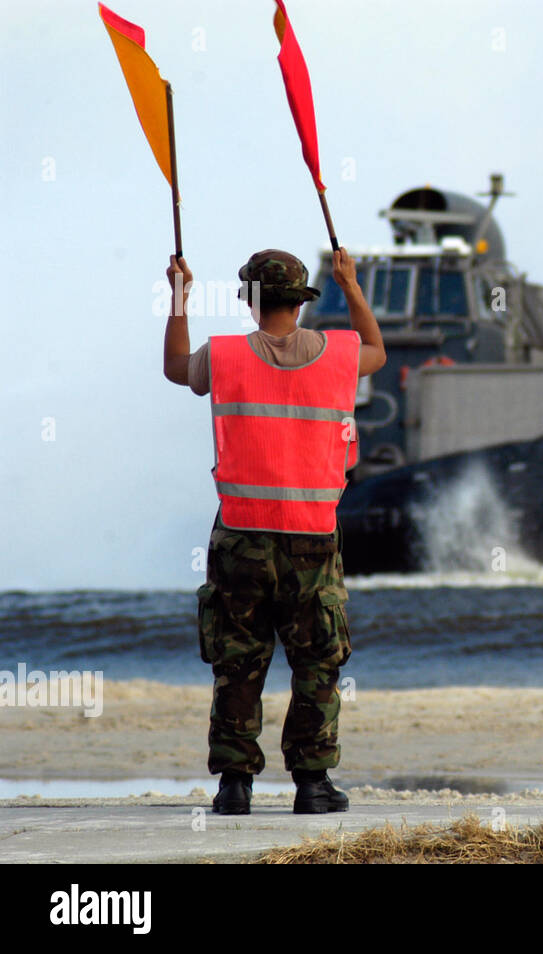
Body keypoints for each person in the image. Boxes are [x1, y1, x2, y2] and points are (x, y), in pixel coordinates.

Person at [163, 247, 386, 814]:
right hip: (312, 534)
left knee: (238, 660)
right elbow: (378, 351)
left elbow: (175, 366)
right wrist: (351, 286)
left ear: (250, 300)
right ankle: (312, 785)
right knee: (317, 662)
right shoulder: (341, 354)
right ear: (301, 301)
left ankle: (234, 786)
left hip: (240, 533)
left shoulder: (224, 356)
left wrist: (180, 295)